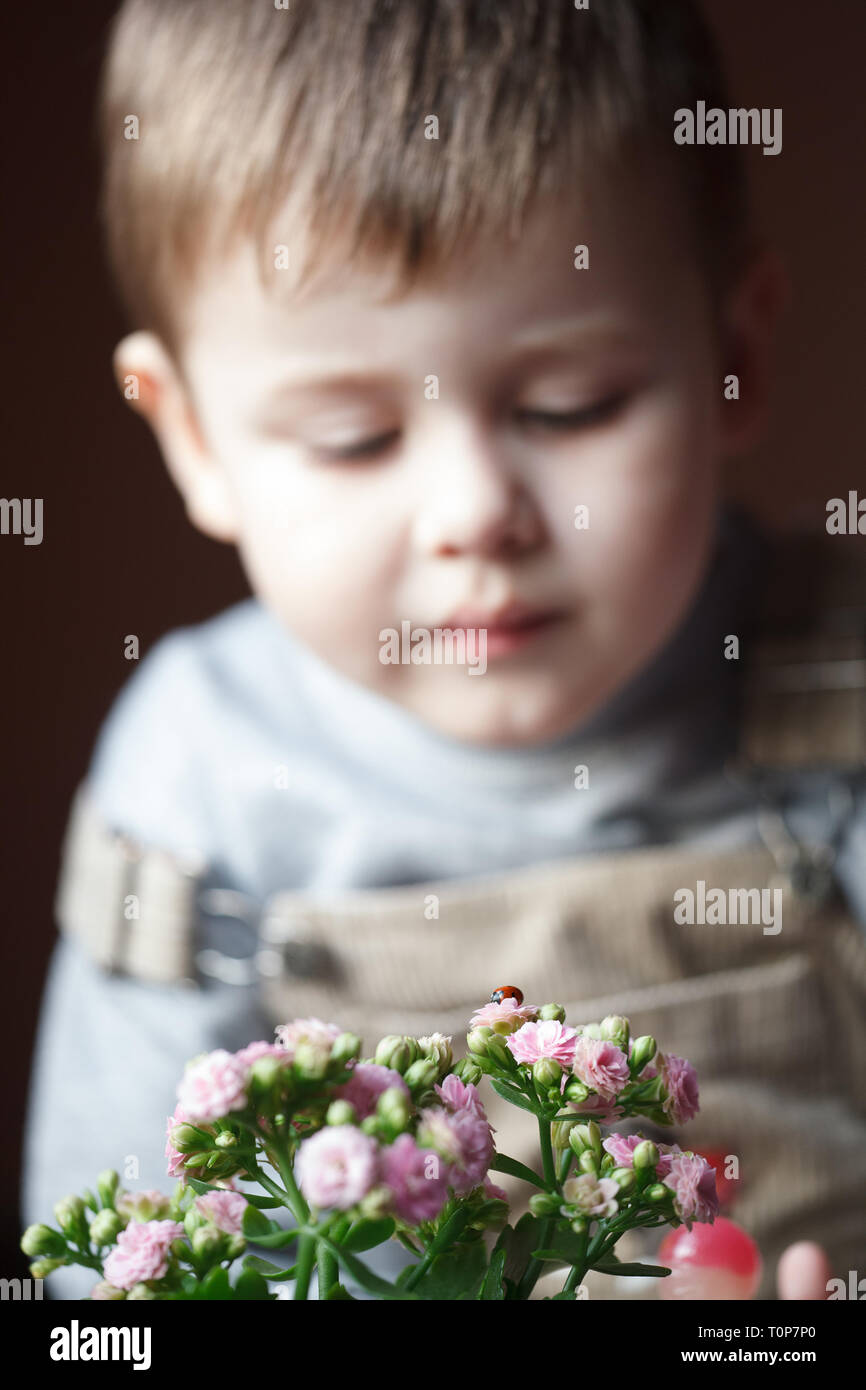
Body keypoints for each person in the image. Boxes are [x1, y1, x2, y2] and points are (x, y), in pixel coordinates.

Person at [22, 0, 866, 1300]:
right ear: (193, 438)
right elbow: (109, 1291)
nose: (475, 512)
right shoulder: (198, 776)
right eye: (354, 437)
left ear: (732, 354)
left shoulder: (837, 690)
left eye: (565, 405)